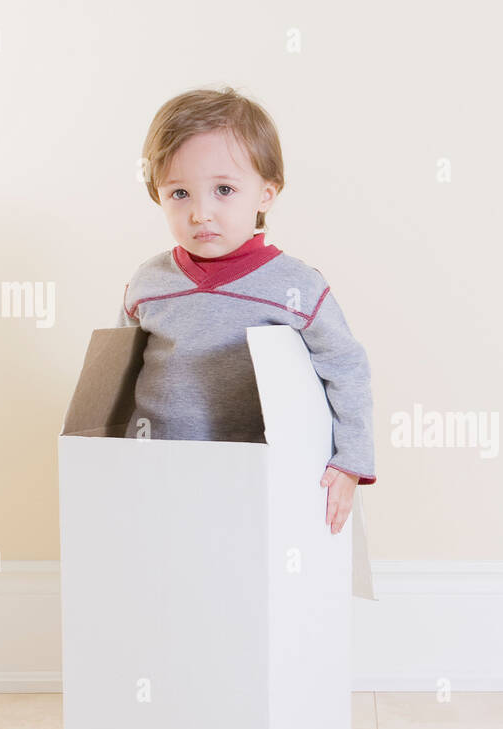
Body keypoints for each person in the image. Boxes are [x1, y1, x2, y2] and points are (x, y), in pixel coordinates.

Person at [115, 86, 375, 535]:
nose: (200, 212)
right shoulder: (148, 282)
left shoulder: (296, 285)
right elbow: (116, 372)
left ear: (266, 195)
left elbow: (346, 366)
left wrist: (350, 461)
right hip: (160, 471)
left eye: (223, 190)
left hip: (259, 477)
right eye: (179, 193)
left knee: (239, 582)